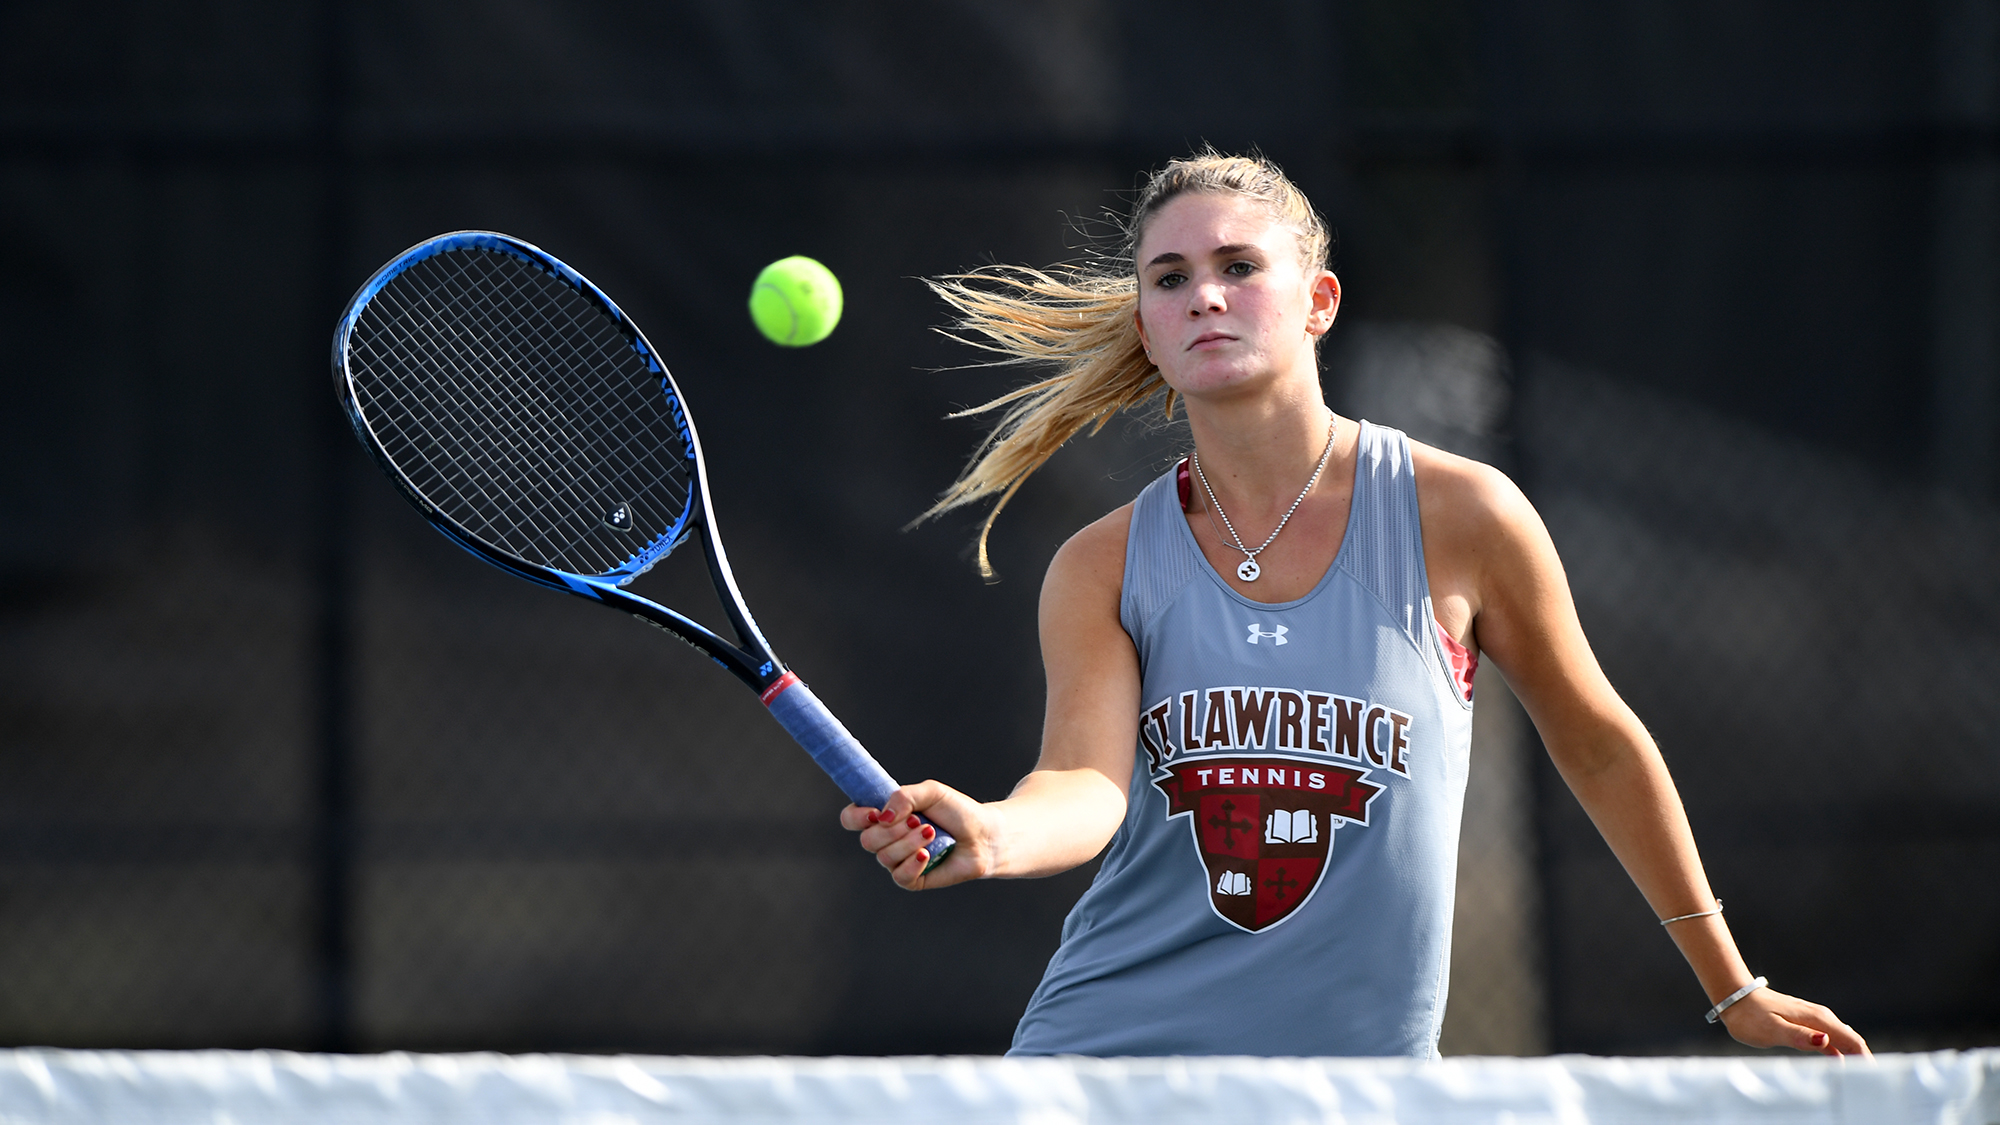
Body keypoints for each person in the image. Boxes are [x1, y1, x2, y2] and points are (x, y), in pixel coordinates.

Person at [841, 151, 1867, 1059]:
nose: (1203, 295)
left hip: (1354, 1084)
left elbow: (1597, 744)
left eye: (1238, 266)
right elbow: (1084, 786)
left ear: (1317, 301)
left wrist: (1732, 987)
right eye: (1170, 278)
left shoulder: (1460, 514)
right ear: (1148, 330)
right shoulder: (1099, 565)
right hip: (1107, 1060)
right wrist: (990, 836)